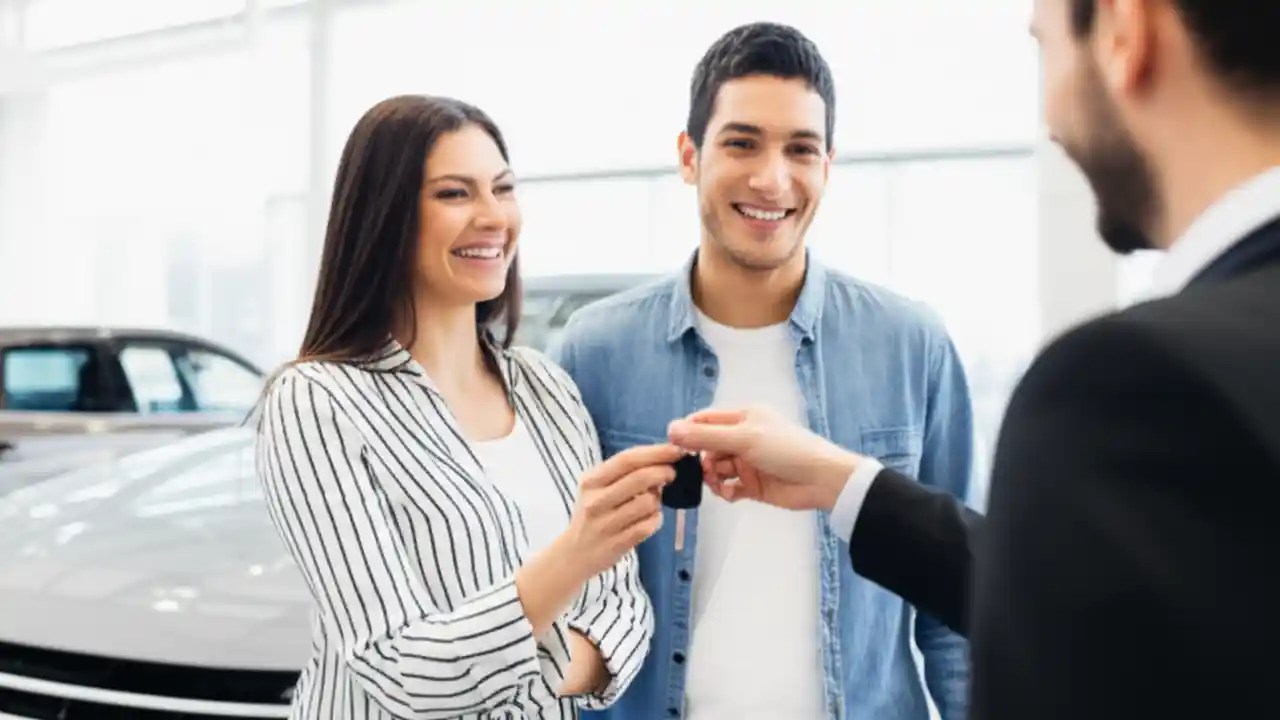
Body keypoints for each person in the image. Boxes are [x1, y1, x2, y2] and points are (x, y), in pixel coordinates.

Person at [666, 0, 1280, 717]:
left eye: (1044, 50)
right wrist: (846, 483)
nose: (1051, 120)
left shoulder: (1127, 383)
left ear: (1123, 31)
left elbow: (1040, 621)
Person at [550, 22, 974, 720]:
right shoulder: (595, 351)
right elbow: (568, 593)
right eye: (742, 142)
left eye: (800, 149)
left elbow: (957, 611)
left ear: (828, 168)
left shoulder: (911, 344)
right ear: (690, 157)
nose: (772, 178)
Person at [255, 95, 683, 720]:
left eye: (503, 189)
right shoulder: (316, 401)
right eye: (455, 194)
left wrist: (500, 671)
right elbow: (401, 672)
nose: (493, 217)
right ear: (385, 217)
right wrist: (575, 555)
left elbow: (625, 614)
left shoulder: (545, 387)